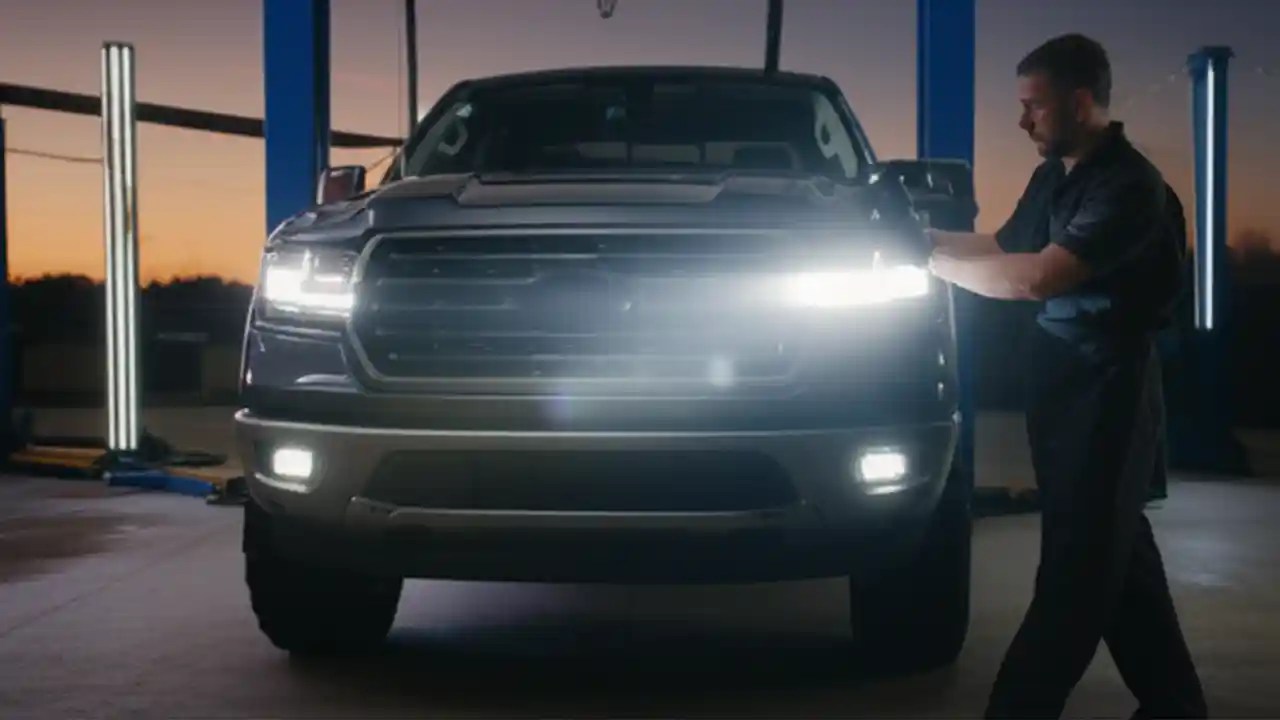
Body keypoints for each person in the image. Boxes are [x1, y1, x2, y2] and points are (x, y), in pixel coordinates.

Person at [926, 34, 1208, 719]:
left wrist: (925, 266)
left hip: (1109, 388)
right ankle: (1177, 708)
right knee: (1121, 559)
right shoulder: (1057, 174)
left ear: (1080, 102)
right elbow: (1002, 245)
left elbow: (1036, 278)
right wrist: (913, 239)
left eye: (1034, 106)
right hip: (1064, 387)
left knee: (1076, 576)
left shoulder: (1130, 187)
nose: (1023, 122)